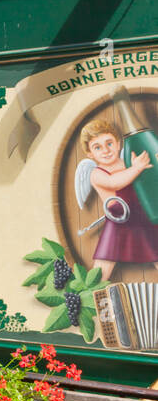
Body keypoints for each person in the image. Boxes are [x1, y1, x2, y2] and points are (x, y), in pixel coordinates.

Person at [79, 119, 158, 281]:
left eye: (109, 143)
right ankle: (92, 295)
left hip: (142, 216)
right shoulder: (97, 174)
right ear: (90, 154)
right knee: (104, 264)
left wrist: (152, 161)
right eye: (97, 147)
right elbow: (114, 182)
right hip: (119, 221)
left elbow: (149, 177)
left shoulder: (128, 162)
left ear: (118, 144)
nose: (106, 150)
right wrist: (136, 168)